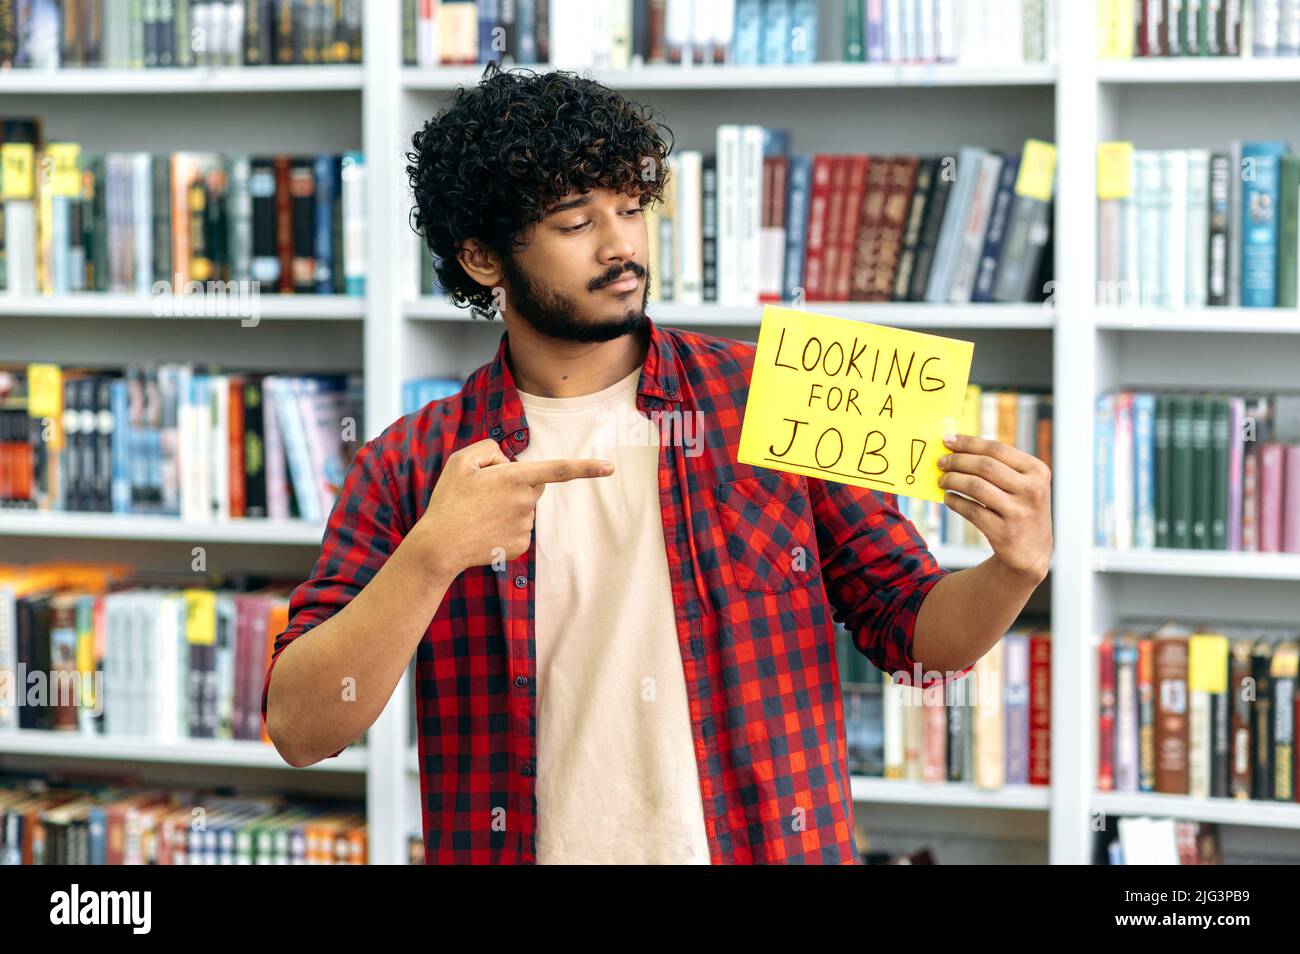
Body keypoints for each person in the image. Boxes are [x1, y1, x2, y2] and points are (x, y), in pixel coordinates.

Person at [262, 63, 1054, 864]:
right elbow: (300, 729)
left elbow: (915, 639)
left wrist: (1014, 569)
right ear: (482, 258)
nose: (622, 246)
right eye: (576, 222)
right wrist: (431, 556)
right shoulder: (409, 462)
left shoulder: (777, 394)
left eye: (633, 209)